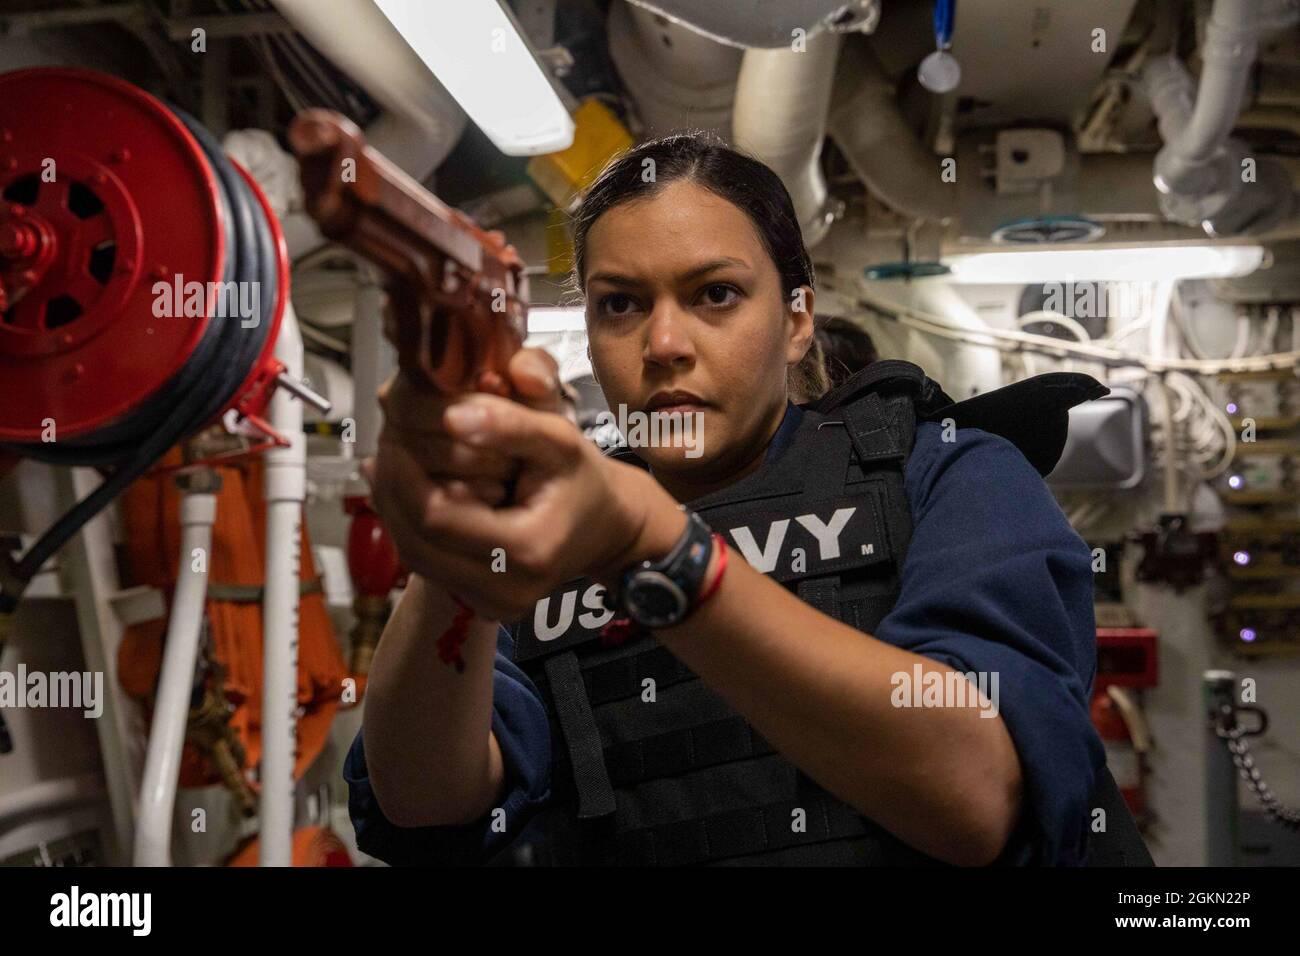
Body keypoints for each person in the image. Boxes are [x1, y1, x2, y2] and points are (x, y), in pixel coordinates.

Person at [345, 132, 1129, 866]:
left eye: (715, 294)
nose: (663, 344)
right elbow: (425, 802)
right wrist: (451, 552)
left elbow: (976, 799)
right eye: (620, 304)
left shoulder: (948, 476)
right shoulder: (546, 526)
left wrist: (654, 548)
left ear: (796, 321)